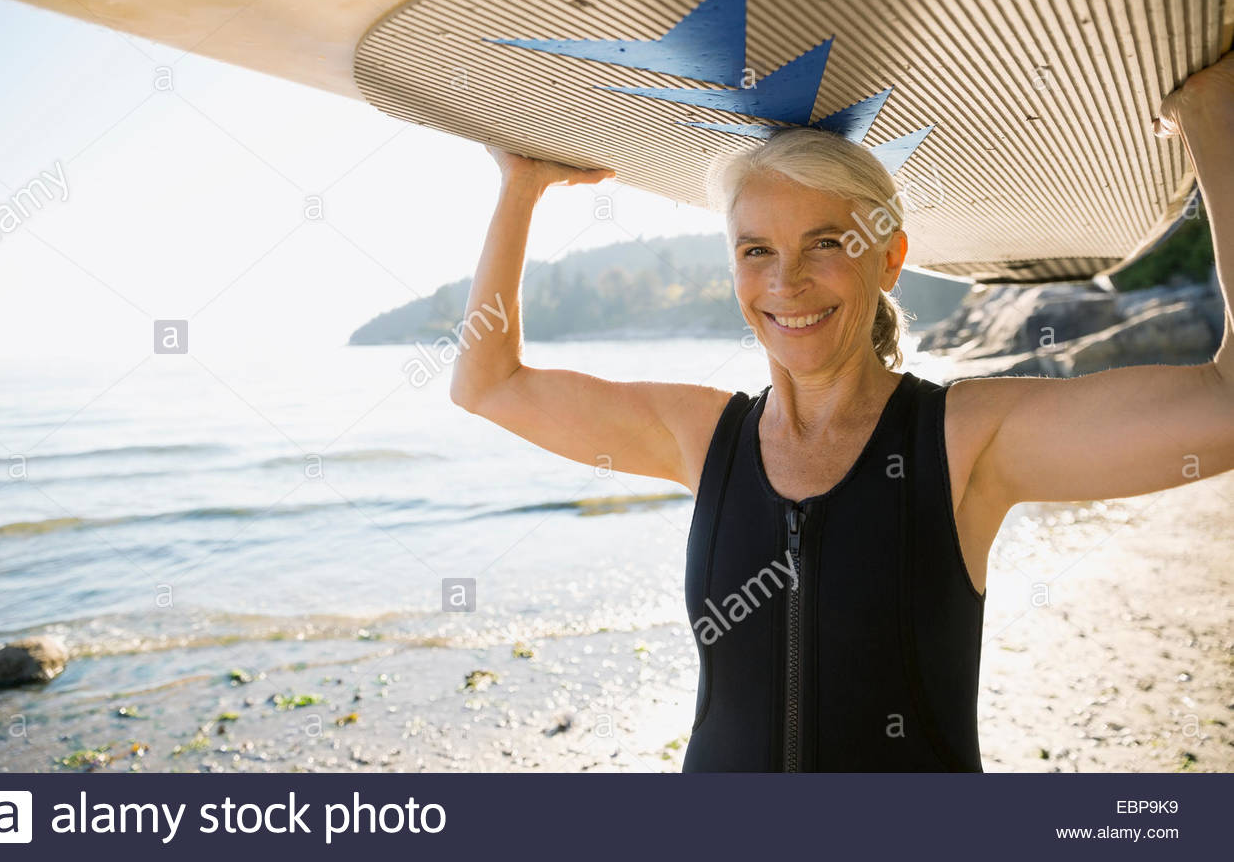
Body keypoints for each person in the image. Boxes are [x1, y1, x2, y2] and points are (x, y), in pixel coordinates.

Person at [449, 50, 1234, 771]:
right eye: (757, 250)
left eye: (825, 242)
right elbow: (487, 384)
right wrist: (520, 186)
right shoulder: (702, 436)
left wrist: (1212, 109)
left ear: (890, 255)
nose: (786, 283)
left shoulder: (962, 441)